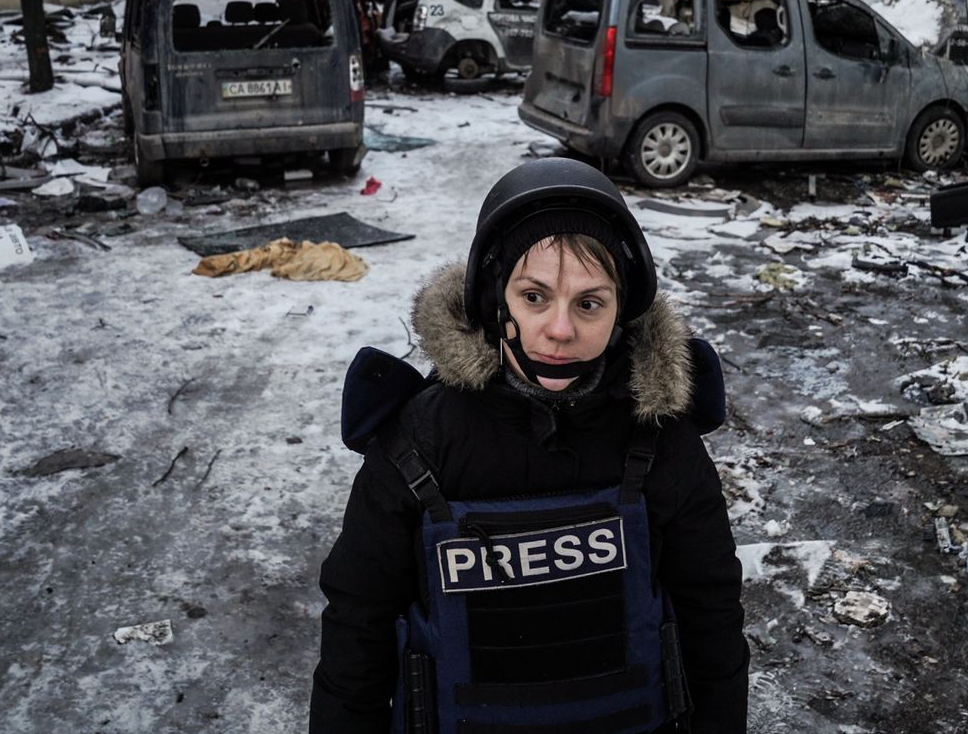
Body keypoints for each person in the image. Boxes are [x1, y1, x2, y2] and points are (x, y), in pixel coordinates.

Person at [310, 158, 748, 734]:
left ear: (621, 311)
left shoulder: (662, 437)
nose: (560, 331)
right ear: (496, 300)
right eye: (535, 297)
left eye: (589, 303)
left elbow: (710, 622)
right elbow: (355, 634)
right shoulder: (419, 441)